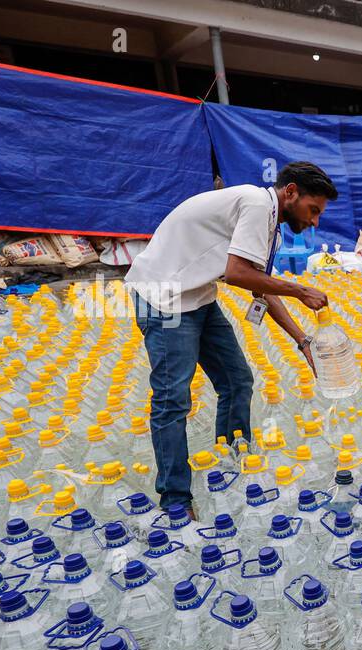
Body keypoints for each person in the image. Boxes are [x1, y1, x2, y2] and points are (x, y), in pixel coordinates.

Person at [125, 161, 336, 514]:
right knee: (172, 398)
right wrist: (301, 290)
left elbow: (261, 291)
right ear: (291, 192)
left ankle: (232, 466)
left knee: (237, 381)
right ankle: (175, 498)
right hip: (162, 298)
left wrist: (304, 343)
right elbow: (238, 274)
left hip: (197, 296)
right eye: (313, 210)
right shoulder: (255, 203)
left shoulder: (271, 224)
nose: (315, 221)